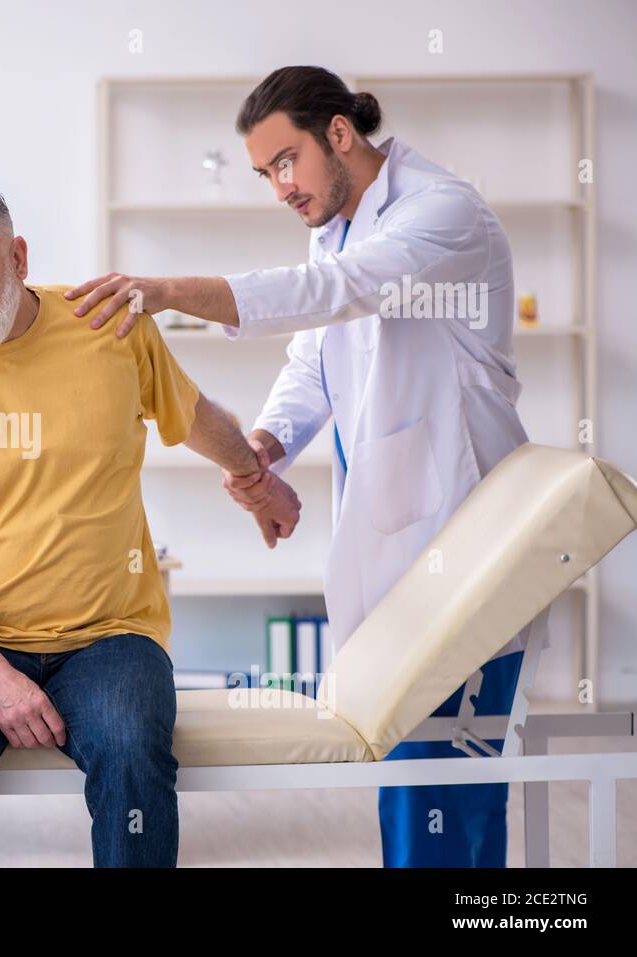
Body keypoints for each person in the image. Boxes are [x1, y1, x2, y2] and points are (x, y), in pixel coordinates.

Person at [66, 66, 529, 867]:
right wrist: (264, 450)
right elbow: (314, 355)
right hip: (398, 541)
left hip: (466, 536)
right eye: (264, 173)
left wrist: (170, 289)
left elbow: (336, 292)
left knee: (449, 782)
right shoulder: (338, 225)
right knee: (406, 769)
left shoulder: (442, 210)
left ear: (339, 134)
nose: (279, 186)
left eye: (286, 161)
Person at [0, 182, 300, 867]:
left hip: (108, 635)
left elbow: (192, 413)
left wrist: (255, 477)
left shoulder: (107, 326)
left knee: (130, 742)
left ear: (19, 256)